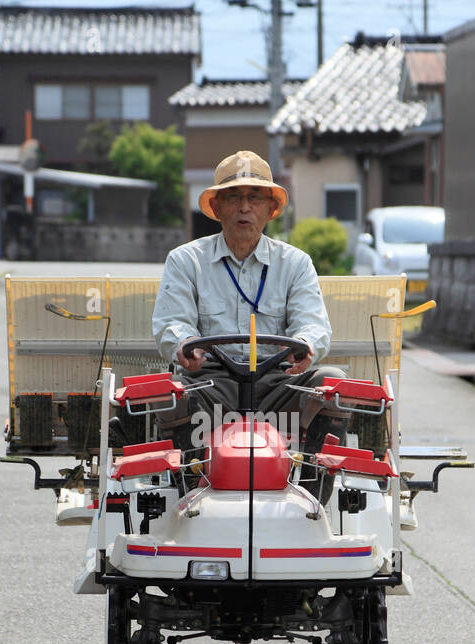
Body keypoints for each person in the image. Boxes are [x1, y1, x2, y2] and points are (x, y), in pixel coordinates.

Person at [149, 150, 349, 485]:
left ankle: (314, 492)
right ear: (216, 208)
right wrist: (184, 345)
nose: (245, 207)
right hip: (211, 384)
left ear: (271, 209)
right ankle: (185, 490)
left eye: (255, 197)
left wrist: (304, 345)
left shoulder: (296, 263)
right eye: (234, 198)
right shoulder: (185, 261)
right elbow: (173, 322)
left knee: (331, 379)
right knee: (168, 390)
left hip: (280, 385)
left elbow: (313, 324)